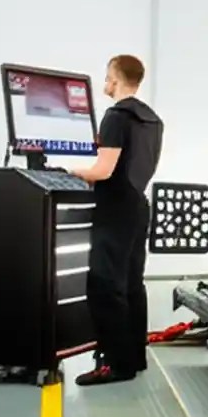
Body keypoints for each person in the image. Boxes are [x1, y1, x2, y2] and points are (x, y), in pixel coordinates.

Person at [69, 55, 164, 386]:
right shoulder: (152, 120)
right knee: (131, 284)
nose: (105, 83)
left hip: (115, 209)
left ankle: (112, 365)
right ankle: (133, 359)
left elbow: (103, 171)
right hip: (139, 206)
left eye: (107, 77)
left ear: (117, 79)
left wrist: (72, 172)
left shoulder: (115, 117)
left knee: (105, 286)